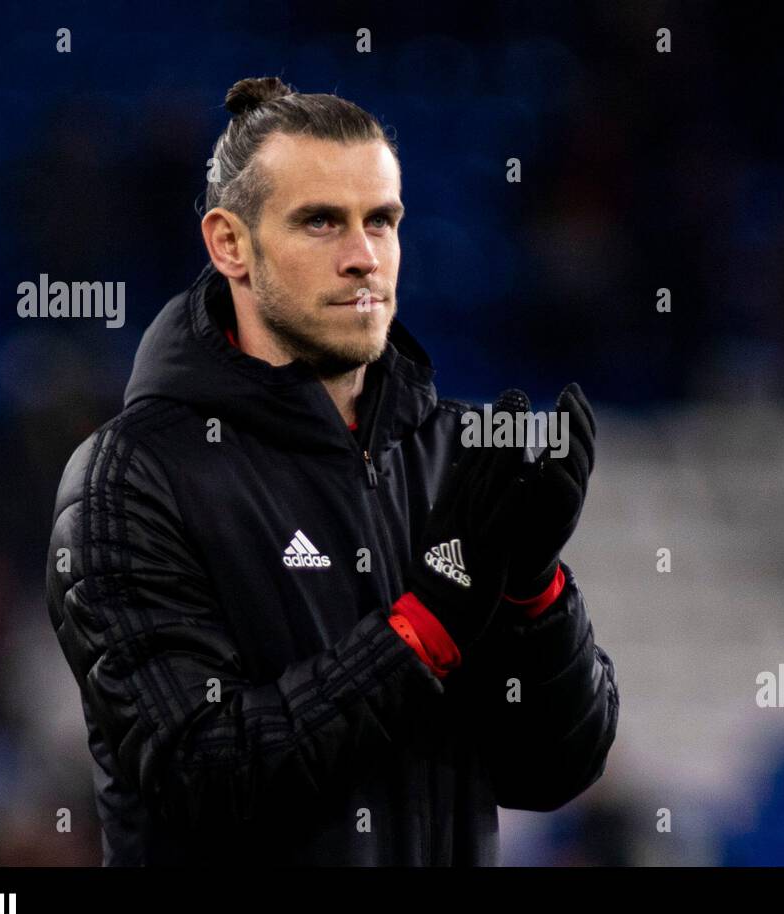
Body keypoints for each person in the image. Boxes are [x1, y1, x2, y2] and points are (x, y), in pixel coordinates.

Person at [45, 76, 618, 865]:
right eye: (321, 223)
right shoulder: (132, 477)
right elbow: (203, 772)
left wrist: (535, 594)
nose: (363, 258)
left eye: (382, 221)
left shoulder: (457, 455)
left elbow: (554, 768)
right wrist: (425, 627)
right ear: (229, 243)